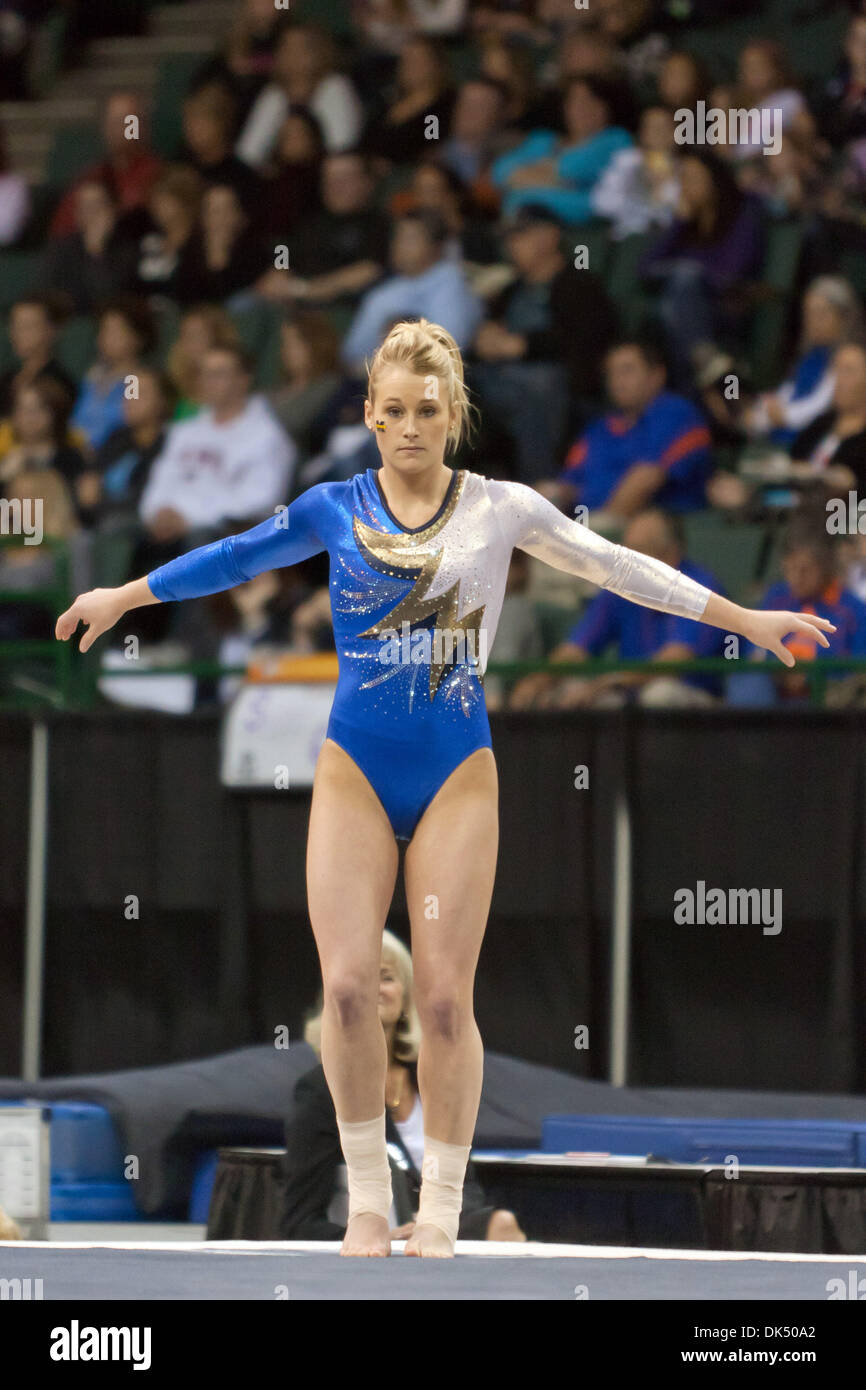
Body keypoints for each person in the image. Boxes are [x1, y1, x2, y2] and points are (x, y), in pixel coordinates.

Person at [55, 317, 835, 1258]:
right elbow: (231, 557)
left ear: (452, 414)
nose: (412, 426)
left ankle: (443, 1205)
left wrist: (742, 617)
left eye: (428, 410)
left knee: (440, 1001)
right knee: (345, 989)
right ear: (373, 420)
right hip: (354, 766)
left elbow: (617, 566)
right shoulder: (332, 507)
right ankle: (373, 1198)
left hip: (458, 771)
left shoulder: (500, 508)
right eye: (393, 411)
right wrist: (123, 596)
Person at [282, 929, 526, 1243]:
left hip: (441, 1225)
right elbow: (298, 1223)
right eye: (363, 978)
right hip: (370, 1239)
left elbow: (468, 1188)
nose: (375, 988)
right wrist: (388, 1235)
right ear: (338, 994)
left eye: (386, 977)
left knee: (502, 1225)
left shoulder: (431, 1074)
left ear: (407, 994)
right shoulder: (319, 1090)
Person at [509, 509, 726, 710]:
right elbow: (577, 649)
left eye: (638, 553)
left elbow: (675, 660)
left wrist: (609, 681)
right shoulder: (622, 587)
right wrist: (539, 680)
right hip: (630, 692)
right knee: (579, 695)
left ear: (670, 555)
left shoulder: (699, 589)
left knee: (659, 694)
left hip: (700, 703)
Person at [469, 202, 618, 482]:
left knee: (540, 385)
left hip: (558, 391)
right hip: (498, 382)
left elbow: (587, 344)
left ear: (549, 237)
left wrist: (524, 345)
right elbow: (489, 334)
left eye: (520, 235)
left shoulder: (580, 285)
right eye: (509, 238)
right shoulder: (510, 291)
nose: (512, 245)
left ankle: (539, 492)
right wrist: (484, 342)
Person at [543, 337, 713, 518]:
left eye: (627, 371)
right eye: (611, 373)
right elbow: (568, 486)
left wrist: (601, 531)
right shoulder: (597, 429)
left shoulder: (676, 414)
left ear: (657, 375)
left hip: (653, 526)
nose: (617, 381)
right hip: (590, 529)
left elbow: (645, 480)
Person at [639, 150, 765, 390]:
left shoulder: (743, 212)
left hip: (724, 306)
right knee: (671, 304)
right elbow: (645, 268)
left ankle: (694, 380)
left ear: (715, 180)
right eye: (683, 178)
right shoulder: (686, 223)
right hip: (684, 311)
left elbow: (732, 272)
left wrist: (693, 273)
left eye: (695, 178)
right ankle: (706, 362)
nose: (687, 186)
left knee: (678, 290)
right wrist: (680, 224)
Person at [341, 211, 482, 371]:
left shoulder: (451, 279)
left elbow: (448, 348)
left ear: (436, 246)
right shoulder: (382, 293)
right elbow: (352, 354)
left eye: (410, 239)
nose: (399, 245)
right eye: (397, 238)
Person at [254, 151, 389, 310]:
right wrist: (279, 269)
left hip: (341, 307)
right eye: (329, 179)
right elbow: (283, 247)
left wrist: (304, 289)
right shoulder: (311, 220)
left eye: (345, 179)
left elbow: (368, 270)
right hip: (293, 302)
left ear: (367, 183)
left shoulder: (379, 223)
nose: (335, 186)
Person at [490, 74, 634, 223]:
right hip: (522, 223)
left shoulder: (615, 139)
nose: (582, 109)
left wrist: (528, 178)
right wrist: (560, 182)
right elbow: (499, 172)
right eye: (574, 102)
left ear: (606, 107)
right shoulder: (542, 140)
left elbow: (572, 169)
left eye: (590, 101)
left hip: (583, 226)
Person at [236, 21, 364, 164]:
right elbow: (249, 153)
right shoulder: (274, 93)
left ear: (319, 52)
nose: (292, 56)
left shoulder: (335, 85)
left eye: (301, 48)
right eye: (286, 48)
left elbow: (343, 145)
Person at [48, 89, 163, 241]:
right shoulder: (92, 176)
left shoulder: (157, 175)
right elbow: (61, 229)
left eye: (129, 121)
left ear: (142, 127)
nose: (121, 128)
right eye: (114, 122)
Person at [41, 177, 140, 315]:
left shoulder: (128, 248)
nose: (91, 213)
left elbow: (110, 299)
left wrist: (95, 250)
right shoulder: (61, 248)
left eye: (97, 205)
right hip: (68, 324)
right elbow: (48, 294)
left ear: (112, 209)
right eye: (85, 206)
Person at [70, 298, 157, 454]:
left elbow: (133, 420)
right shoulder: (92, 377)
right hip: (77, 453)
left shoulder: (135, 381)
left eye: (116, 331)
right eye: (104, 330)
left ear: (137, 337)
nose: (106, 338)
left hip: (113, 455)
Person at [361, 35, 455, 166]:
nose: (410, 67)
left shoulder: (438, 108)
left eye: (418, 60)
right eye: (406, 60)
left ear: (436, 65)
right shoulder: (388, 103)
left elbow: (431, 147)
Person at [0, 292, 75, 419]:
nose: (17, 334)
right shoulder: (7, 379)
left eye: (28, 327)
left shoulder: (60, 383)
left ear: (51, 330)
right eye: (15, 326)